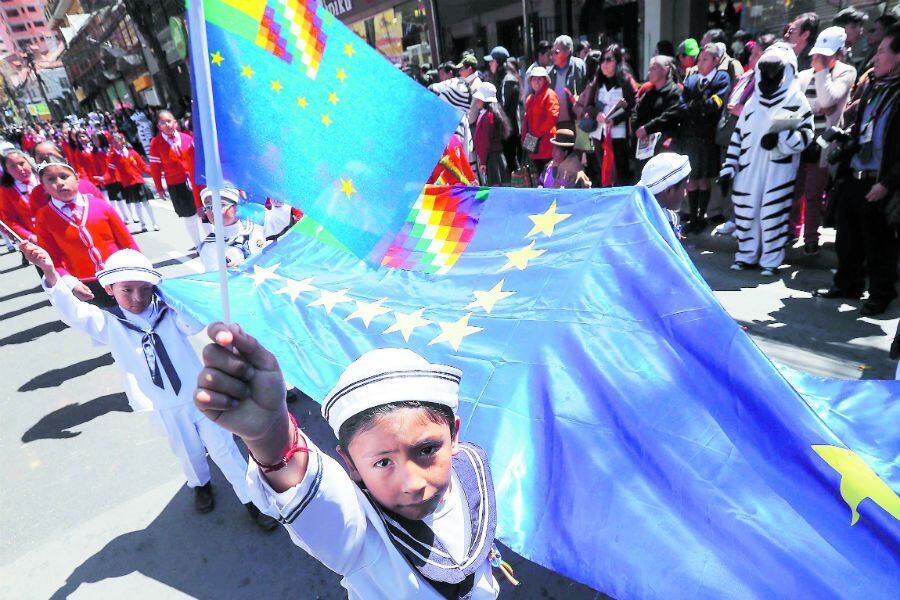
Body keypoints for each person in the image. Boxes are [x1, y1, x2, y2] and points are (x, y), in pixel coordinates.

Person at [194, 324, 502, 598]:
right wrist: (270, 435)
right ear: (351, 465)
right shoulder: (363, 534)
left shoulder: (467, 466)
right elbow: (322, 505)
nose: (412, 483)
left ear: (454, 435)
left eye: (426, 450)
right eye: (382, 463)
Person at [20, 243, 279, 531]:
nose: (137, 297)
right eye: (127, 290)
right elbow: (74, 314)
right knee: (188, 452)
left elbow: (192, 321)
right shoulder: (109, 322)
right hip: (161, 405)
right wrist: (50, 274)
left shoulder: (168, 310)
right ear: (109, 289)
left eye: (145, 289)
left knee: (225, 450)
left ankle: (254, 502)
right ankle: (200, 484)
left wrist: (210, 288)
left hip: (201, 397)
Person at [816, 24, 900, 316]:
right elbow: (861, 126)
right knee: (847, 236)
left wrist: (888, 184)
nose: (875, 57)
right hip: (855, 173)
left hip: (880, 180)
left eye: (881, 51)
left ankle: (881, 293)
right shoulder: (874, 86)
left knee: (879, 243)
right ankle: (847, 284)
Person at [719, 42, 814, 277]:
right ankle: (746, 255)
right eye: (766, 70)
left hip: (778, 167)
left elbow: (806, 135)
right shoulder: (752, 103)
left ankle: (771, 259)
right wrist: (729, 167)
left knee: (773, 214)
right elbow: (738, 136)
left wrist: (782, 140)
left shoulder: (796, 100)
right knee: (746, 211)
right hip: (748, 168)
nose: (770, 77)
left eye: (775, 71)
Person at [32, 158, 138, 304]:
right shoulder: (43, 217)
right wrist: (71, 284)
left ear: (76, 178)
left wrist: (140, 269)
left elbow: (128, 243)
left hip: (121, 275)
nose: (60, 183)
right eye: (51, 179)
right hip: (86, 285)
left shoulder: (101, 206)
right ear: (43, 187)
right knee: (106, 322)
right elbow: (52, 260)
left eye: (64, 176)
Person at [790, 27, 857, 256]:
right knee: (795, 188)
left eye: (826, 54)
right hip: (800, 138)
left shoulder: (846, 72)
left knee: (814, 191)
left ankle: (811, 238)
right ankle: (792, 232)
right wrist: (819, 106)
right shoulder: (803, 75)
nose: (820, 58)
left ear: (838, 53)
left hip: (824, 141)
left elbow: (829, 99)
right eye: (819, 54)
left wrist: (821, 76)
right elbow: (799, 105)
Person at [714, 34, 778, 237]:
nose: (752, 58)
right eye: (752, 54)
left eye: (757, 54)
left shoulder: (772, 82)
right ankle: (732, 218)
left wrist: (743, 111)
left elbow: (767, 111)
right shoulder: (747, 76)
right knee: (730, 177)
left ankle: (743, 221)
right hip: (731, 134)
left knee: (747, 181)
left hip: (753, 138)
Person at [680, 43, 733, 233]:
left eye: (705, 59)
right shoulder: (692, 79)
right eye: (699, 59)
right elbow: (682, 104)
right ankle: (693, 217)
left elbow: (715, 103)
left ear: (716, 60)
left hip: (708, 135)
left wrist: (696, 106)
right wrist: (698, 106)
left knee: (703, 178)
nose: (700, 63)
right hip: (691, 136)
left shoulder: (721, 77)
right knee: (692, 178)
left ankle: (702, 216)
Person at [149, 110, 205, 248]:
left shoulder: (186, 137)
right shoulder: (155, 144)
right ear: (158, 126)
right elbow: (155, 169)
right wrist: (159, 188)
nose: (167, 124)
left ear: (175, 122)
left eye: (169, 121)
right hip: (176, 184)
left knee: (204, 212)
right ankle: (198, 244)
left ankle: (212, 240)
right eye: (163, 122)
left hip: (195, 181)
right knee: (189, 216)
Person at [589, 44, 638, 186]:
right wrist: (597, 114)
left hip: (619, 135)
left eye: (608, 60)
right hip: (600, 134)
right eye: (602, 60)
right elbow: (588, 106)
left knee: (620, 173)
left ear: (617, 61)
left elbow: (633, 105)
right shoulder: (598, 81)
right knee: (603, 171)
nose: (604, 64)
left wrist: (615, 120)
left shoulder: (626, 80)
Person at [196, 184, 269, 272]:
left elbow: (282, 225)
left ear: (237, 206)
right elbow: (216, 280)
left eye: (221, 205)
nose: (213, 211)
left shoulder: (254, 225)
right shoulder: (210, 247)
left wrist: (278, 205)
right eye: (208, 207)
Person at [631, 55, 685, 166]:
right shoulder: (648, 93)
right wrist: (637, 128)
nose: (649, 72)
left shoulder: (675, 92)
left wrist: (647, 128)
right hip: (644, 147)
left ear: (666, 69)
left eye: (654, 68)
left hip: (664, 146)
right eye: (649, 69)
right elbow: (636, 112)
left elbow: (670, 116)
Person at [108, 132, 159, 232]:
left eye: (117, 142)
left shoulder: (133, 153)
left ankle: (154, 223)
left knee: (146, 204)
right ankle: (143, 225)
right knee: (137, 205)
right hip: (128, 184)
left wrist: (155, 173)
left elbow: (143, 167)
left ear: (123, 141)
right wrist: (103, 179)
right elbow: (109, 172)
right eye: (113, 143)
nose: (115, 144)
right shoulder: (114, 157)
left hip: (139, 181)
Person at [639, 152, 692, 236]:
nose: (685, 194)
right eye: (684, 187)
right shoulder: (668, 221)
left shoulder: (636, 212)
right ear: (669, 190)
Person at [521, 66, 559, 176]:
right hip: (533, 143)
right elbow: (526, 123)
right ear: (530, 82)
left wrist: (537, 133)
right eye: (534, 79)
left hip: (547, 143)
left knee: (549, 176)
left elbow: (553, 116)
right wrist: (525, 141)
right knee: (536, 175)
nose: (536, 82)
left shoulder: (550, 94)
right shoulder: (530, 99)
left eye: (539, 79)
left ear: (545, 80)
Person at [472, 83, 511, 186]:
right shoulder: (487, 114)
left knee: (494, 188)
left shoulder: (488, 117)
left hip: (492, 159)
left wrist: (483, 162)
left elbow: (485, 141)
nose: (477, 101)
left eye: (480, 98)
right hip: (493, 157)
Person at [548, 35, 587, 130]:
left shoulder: (579, 66)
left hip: (576, 123)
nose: (552, 55)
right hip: (555, 125)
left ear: (567, 52)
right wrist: (529, 144)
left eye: (556, 52)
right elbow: (531, 134)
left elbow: (586, 92)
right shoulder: (550, 73)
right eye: (552, 52)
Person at [0, 150, 39, 245]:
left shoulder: (43, 179)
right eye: (12, 167)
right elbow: (9, 219)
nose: (19, 169)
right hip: (34, 238)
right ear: (7, 171)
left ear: (28, 161)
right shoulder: (6, 191)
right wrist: (28, 236)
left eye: (21, 163)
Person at [499, 58, 523, 173]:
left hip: (512, 130)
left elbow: (504, 107)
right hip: (519, 129)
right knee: (521, 159)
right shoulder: (517, 82)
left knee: (514, 162)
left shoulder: (507, 82)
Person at [834, 7, 868, 71]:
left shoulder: (847, 52)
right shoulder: (831, 54)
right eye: (853, 26)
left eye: (861, 26)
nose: (859, 30)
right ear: (841, 28)